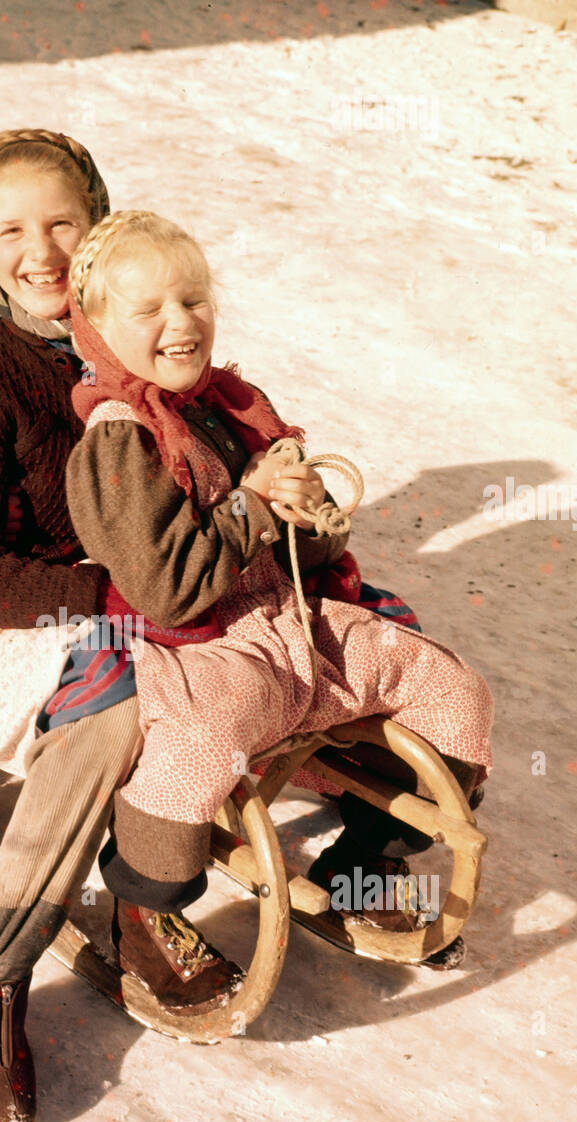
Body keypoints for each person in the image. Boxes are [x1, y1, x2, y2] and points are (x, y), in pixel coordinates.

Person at [62, 210, 495, 1006]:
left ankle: (362, 858)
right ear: (94, 327)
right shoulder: (116, 442)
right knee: (199, 744)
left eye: (193, 299)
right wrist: (255, 510)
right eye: (148, 310)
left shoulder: (231, 405)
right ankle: (143, 911)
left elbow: (313, 554)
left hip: (289, 616)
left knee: (448, 688)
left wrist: (309, 514)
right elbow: (167, 586)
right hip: (198, 641)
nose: (180, 322)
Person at [0, 130, 143, 1122]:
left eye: (62, 222)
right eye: (10, 229)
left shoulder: (141, 333)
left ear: (100, 225)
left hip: (163, 594)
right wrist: (92, 597)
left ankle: (155, 887)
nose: (40, 250)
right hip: (39, 626)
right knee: (121, 699)